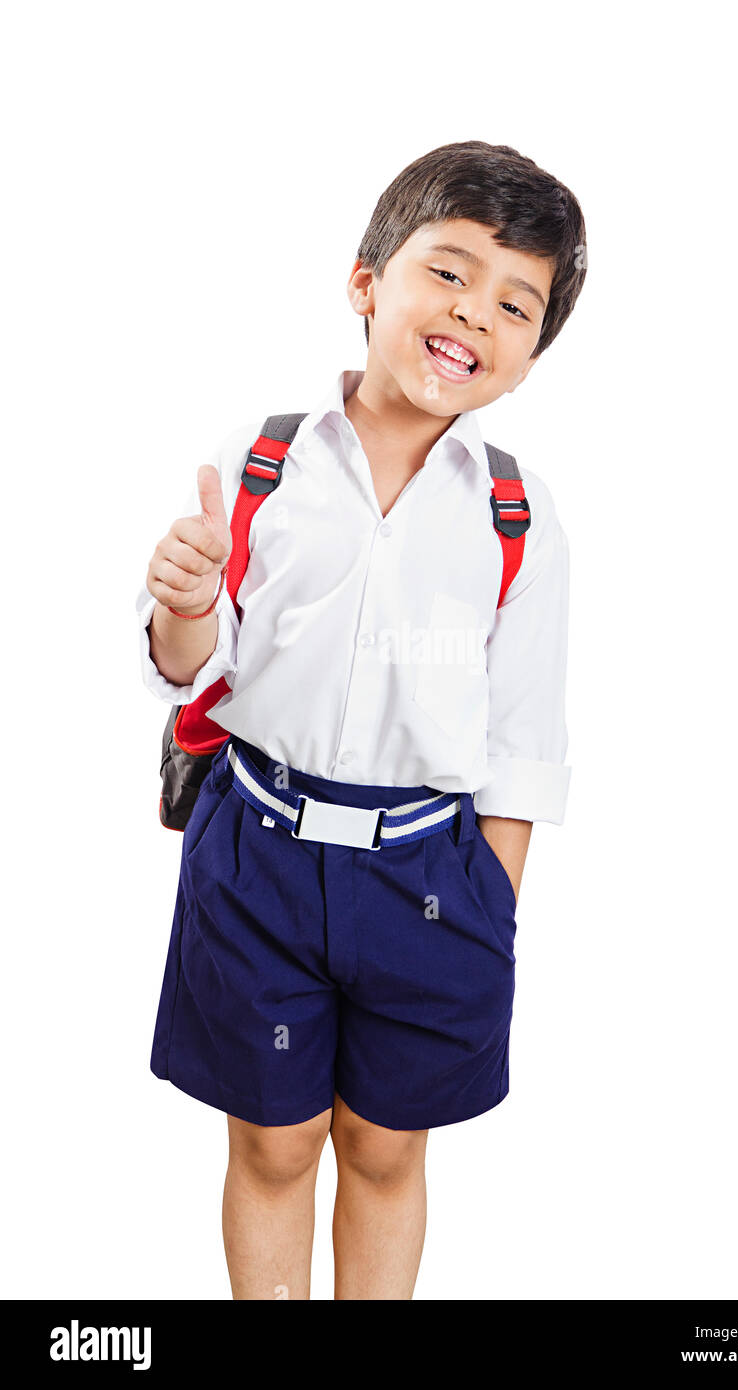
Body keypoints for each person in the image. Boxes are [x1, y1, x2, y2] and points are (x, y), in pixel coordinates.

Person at [135, 139, 587, 1300]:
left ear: (530, 353)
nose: (470, 314)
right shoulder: (266, 461)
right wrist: (183, 605)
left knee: (384, 1149)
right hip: (259, 856)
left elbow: (521, 752)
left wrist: (483, 910)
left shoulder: (515, 517)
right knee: (273, 1144)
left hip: (429, 870)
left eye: (512, 301)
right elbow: (192, 667)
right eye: (445, 272)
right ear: (365, 282)